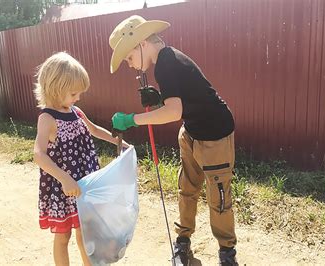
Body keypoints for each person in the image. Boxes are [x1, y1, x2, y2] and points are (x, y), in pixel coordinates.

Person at [109, 15, 238, 266]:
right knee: (187, 189)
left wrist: (131, 120)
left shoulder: (165, 62)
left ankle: (226, 253)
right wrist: (159, 99)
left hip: (214, 135)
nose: (129, 63)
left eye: (129, 57)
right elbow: (181, 101)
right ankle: (183, 243)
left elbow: (173, 112)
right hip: (191, 132)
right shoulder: (166, 59)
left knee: (218, 197)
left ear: (141, 43)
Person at [33, 52, 128, 265]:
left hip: (85, 184)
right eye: (74, 93)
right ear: (56, 88)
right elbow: (38, 154)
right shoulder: (47, 118)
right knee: (63, 236)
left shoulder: (76, 111)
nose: (78, 97)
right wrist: (65, 179)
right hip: (65, 188)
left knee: (86, 232)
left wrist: (121, 144)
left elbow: (94, 130)